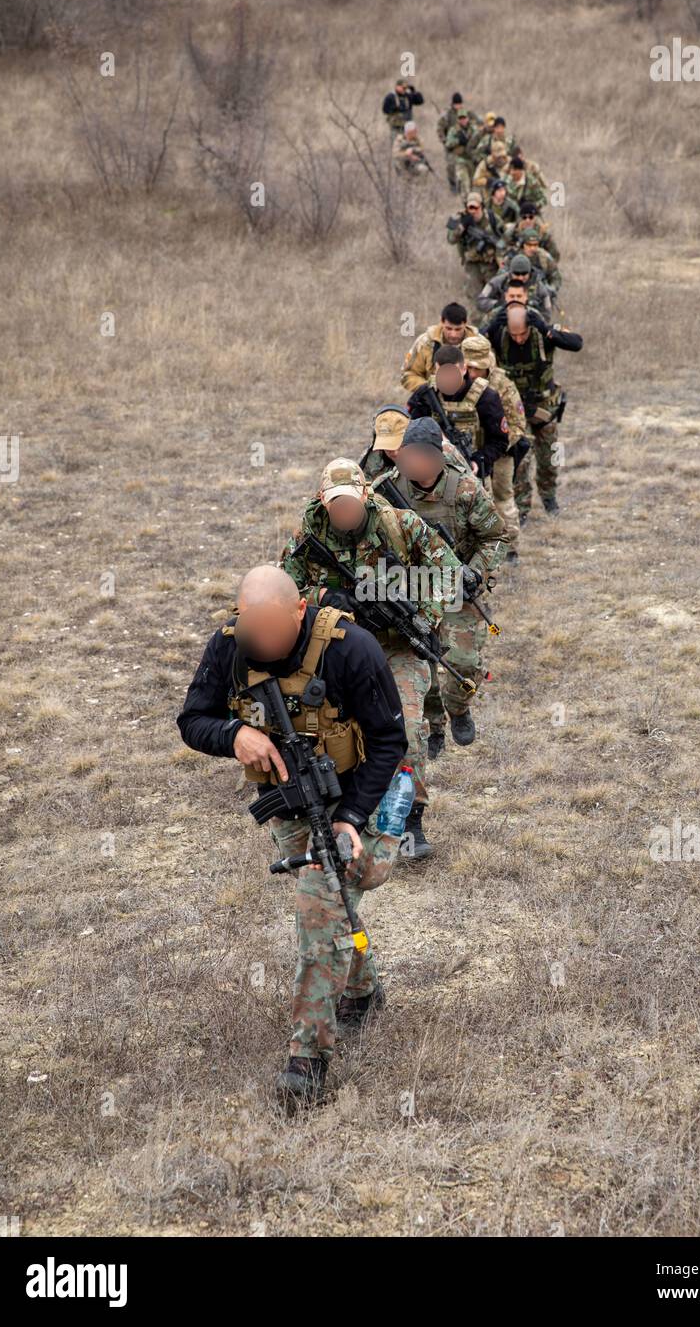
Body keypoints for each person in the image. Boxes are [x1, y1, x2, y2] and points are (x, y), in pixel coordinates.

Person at [177, 565, 408, 1108]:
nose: (264, 644)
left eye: (274, 632)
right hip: (290, 804)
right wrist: (234, 734)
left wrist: (351, 816)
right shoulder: (228, 647)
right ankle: (362, 990)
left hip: (362, 797)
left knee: (317, 907)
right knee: (327, 909)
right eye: (253, 632)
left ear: (300, 611)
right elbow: (192, 719)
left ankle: (307, 1061)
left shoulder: (352, 648)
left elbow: (390, 738)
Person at [280, 459, 462, 859]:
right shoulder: (309, 534)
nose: (343, 511)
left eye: (349, 502)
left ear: (365, 495)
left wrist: (424, 614)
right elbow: (281, 590)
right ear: (322, 502)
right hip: (336, 647)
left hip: (398, 643)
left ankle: (409, 814)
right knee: (329, 729)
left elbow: (449, 570)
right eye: (335, 504)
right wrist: (323, 599)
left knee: (406, 730)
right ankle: (340, 813)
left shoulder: (401, 525)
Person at [379, 417, 506, 757]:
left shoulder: (465, 489)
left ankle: (459, 709)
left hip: (459, 590)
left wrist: (475, 573)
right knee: (425, 664)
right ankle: (434, 726)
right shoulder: (387, 491)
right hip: (416, 593)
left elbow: (495, 537)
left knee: (464, 663)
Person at [485, 303, 583, 518]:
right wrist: (490, 329)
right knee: (521, 460)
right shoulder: (499, 337)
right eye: (514, 334)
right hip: (515, 409)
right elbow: (471, 346)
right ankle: (521, 509)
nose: (519, 338)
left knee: (549, 457)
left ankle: (549, 497)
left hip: (544, 408)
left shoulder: (542, 335)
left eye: (522, 334)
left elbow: (576, 343)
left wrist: (548, 330)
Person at [460, 333, 525, 563]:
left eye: (478, 368)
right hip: (467, 454)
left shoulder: (502, 384)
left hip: (500, 454)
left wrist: (497, 445)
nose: (473, 373)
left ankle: (510, 548)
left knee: (503, 497)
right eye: (469, 367)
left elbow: (517, 424)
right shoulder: (457, 382)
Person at [407, 343, 509, 480]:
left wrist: (478, 460)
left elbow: (499, 441)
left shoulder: (486, 397)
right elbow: (410, 430)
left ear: (464, 369)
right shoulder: (426, 394)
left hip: (473, 476)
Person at [401, 301, 478, 396]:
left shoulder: (479, 344)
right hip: (432, 400)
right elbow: (408, 375)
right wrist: (429, 389)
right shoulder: (426, 343)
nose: (453, 335)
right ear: (441, 322)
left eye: (458, 329)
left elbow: (492, 376)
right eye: (449, 328)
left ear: (465, 323)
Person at [446, 191, 501, 314]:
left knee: (494, 297)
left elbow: (504, 237)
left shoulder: (491, 218)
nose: (473, 211)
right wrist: (462, 227)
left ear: (481, 206)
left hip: (490, 265)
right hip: (472, 265)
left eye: (476, 207)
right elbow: (451, 239)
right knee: (475, 299)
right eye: (470, 207)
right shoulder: (460, 219)